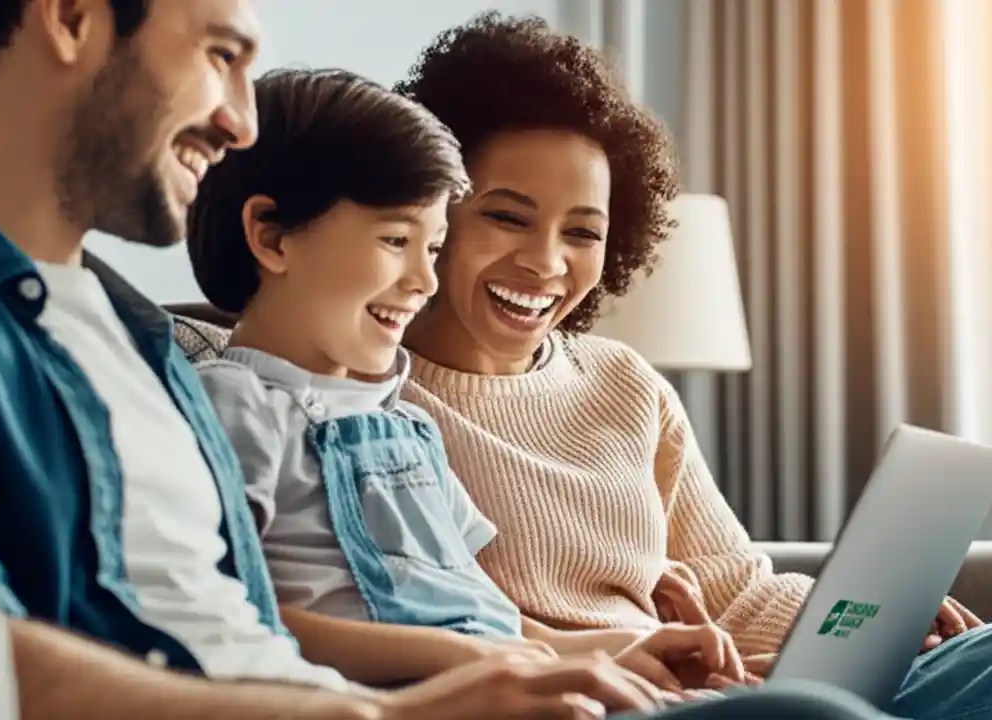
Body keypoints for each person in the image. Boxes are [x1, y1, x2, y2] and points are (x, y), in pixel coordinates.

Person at [0, 0, 932, 718]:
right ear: (70, 16)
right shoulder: (229, 386)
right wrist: (409, 706)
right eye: (220, 55)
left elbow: (266, 616)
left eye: (427, 247)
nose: (241, 122)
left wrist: (623, 642)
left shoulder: (132, 342)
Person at [389, 12, 992, 719]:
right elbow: (427, 621)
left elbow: (735, 590)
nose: (545, 263)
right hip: (634, 702)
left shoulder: (623, 384)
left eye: (582, 233)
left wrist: (874, 622)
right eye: (506, 217)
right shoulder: (369, 400)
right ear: (431, 213)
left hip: (745, 693)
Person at [187, 65, 748, 695]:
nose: (424, 280)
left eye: (431, 248)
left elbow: (490, 614)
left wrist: (623, 645)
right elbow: (234, 617)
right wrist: (466, 658)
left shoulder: (408, 426)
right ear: (271, 236)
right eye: (397, 239)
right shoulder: (230, 406)